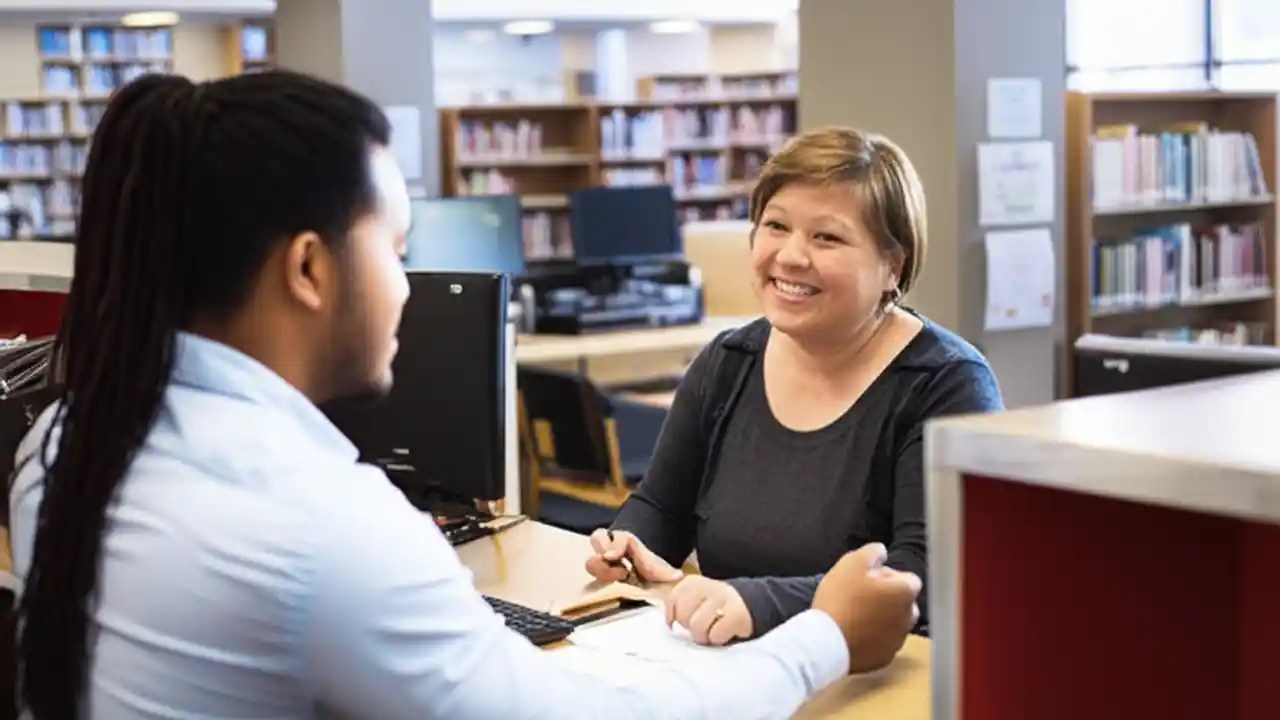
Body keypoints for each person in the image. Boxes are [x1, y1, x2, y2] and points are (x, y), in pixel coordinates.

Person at [8, 72, 922, 719]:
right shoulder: (323, 524)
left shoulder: (66, 440)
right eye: (395, 250)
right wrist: (823, 637)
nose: (409, 288)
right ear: (311, 269)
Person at [587, 126, 1004, 646]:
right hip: (733, 664)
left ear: (892, 267)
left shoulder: (946, 386)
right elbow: (663, 507)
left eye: (826, 237)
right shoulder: (727, 362)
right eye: (776, 226)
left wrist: (757, 604)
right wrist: (629, 544)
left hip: (878, 679)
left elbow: (916, 580)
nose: (790, 256)